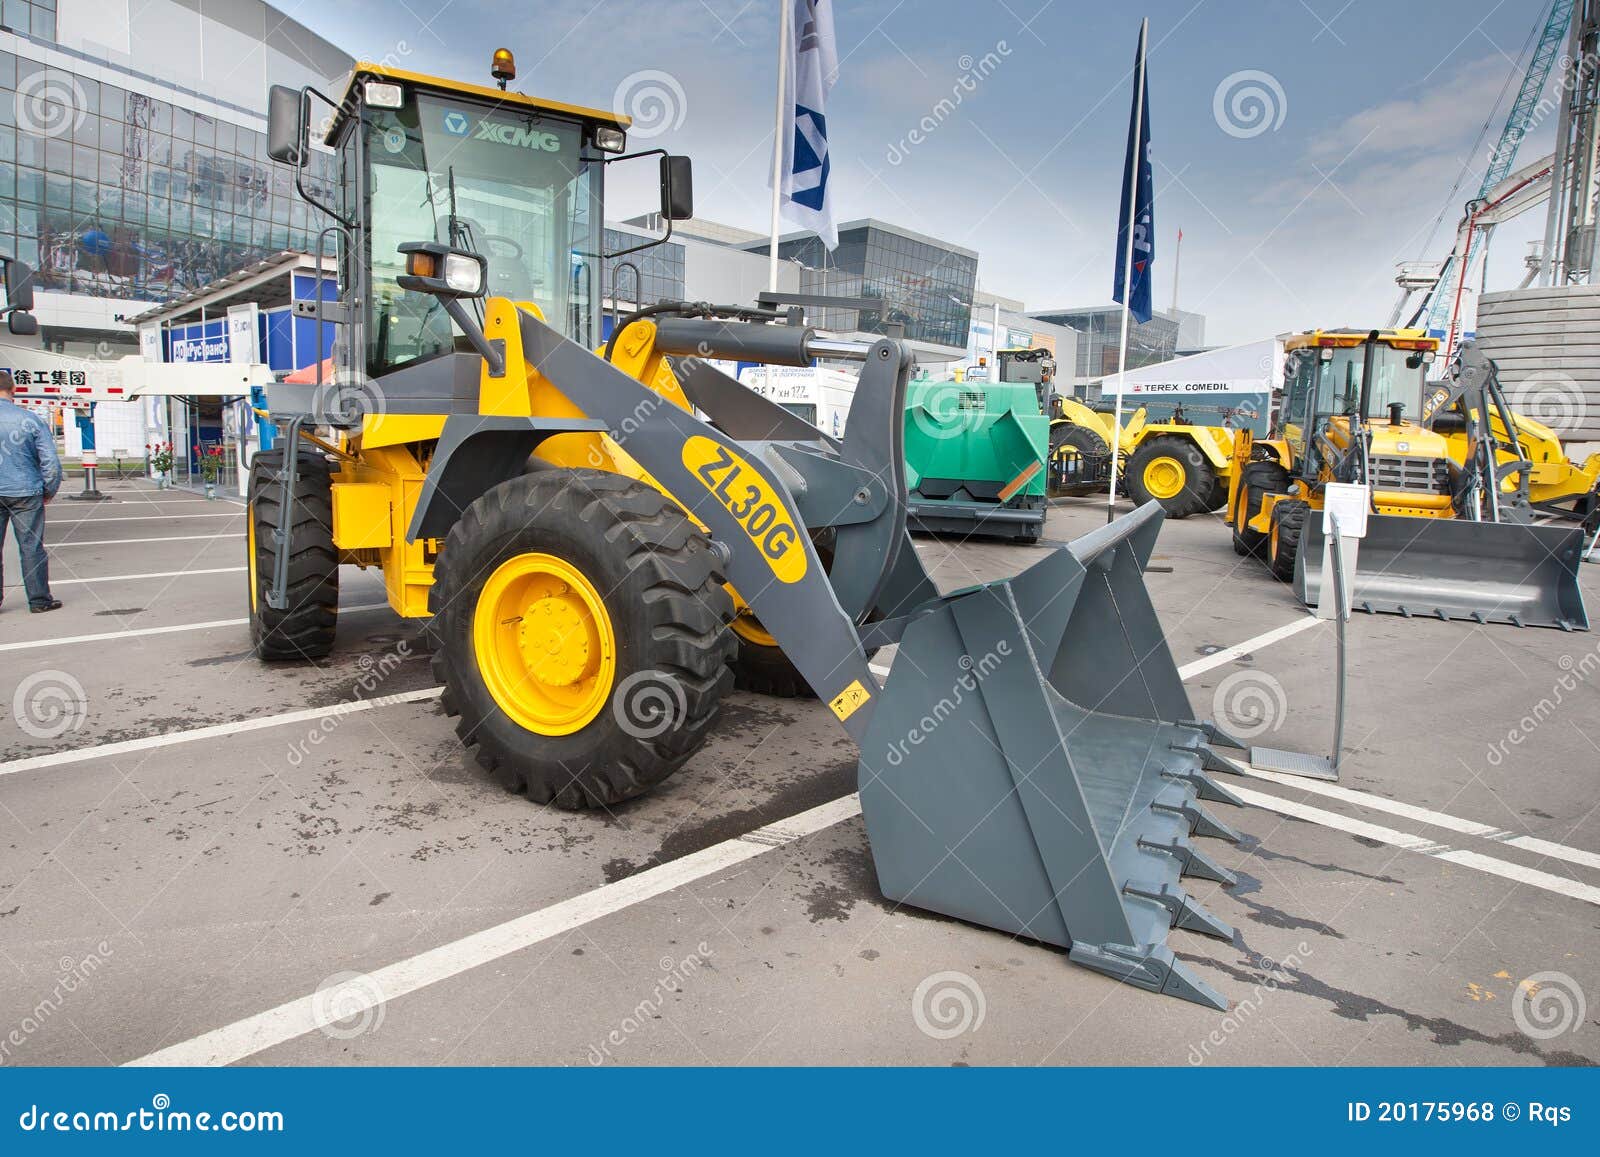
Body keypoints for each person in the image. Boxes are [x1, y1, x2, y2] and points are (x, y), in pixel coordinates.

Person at [0, 370, 63, 613]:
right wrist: (48, 490)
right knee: (31, 547)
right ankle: (39, 601)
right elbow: (51, 463)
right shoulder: (31, 420)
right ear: (13, 390)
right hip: (26, 491)